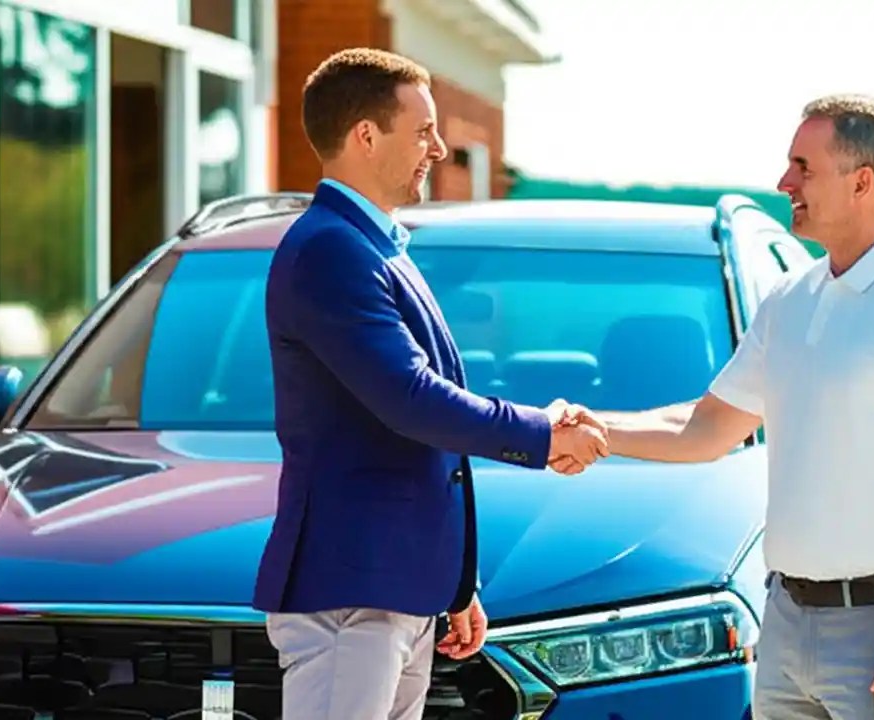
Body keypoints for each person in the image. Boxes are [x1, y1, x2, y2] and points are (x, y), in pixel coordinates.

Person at [556, 95, 874, 719]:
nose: (784, 182)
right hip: (786, 624)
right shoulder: (790, 300)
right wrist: (595, 429)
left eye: (802, 167)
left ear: (861, 181)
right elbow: (706, 427)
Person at [252, 48, 608, 720]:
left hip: (393, 592)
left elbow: (413, 430)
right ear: (365, 136)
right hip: (350, 594)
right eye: (423, 131)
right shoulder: (332, 249)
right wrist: (540, 433)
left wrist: (453, 584)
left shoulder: (375, 245)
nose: (439, 149)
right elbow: (409, 398)